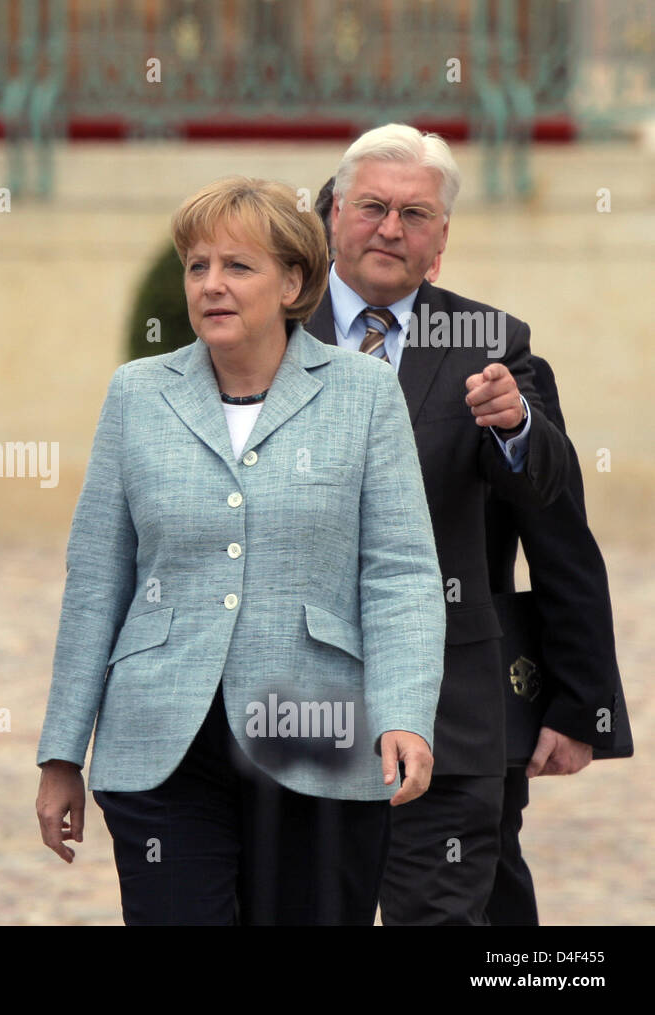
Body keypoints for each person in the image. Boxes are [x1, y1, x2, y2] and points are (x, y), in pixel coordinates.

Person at [35, 176, 446, 925]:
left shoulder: (365, 393)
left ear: (293, 282)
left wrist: (407, 712)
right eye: (198, 266)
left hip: (320, 735)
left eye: (237, 266)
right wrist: (62, 750)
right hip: (162, 740)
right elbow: (97, 576)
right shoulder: (136, 394)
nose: (211, 285)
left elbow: (402, 572)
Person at [304, 123, 572, 924]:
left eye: (415, 215)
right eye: (374, 207)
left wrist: (518, 425)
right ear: (334, 216)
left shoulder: (491, 344)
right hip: (293, 703)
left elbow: (553, 510)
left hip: (448, 711)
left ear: (442, 239)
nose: (391, 228)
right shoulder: (267, 332)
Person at [484, 354, 630, 924]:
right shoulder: (274, 344)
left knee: (484, 886)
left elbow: (561, 542)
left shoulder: (498, 359)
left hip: (471, 700)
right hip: (302, 697)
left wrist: (580, 702)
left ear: (437, 260)